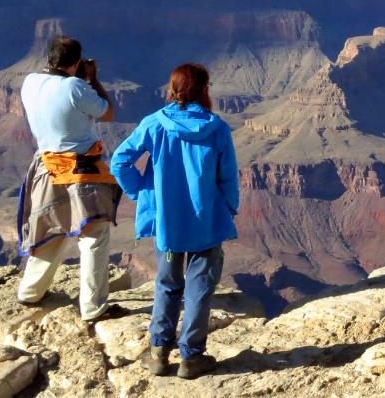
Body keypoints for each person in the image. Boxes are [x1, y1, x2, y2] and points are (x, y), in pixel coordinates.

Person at [110, 63, 239, 380]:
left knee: (167, 286)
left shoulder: (154, 124)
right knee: (199, 289)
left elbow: (120, 161)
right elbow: (228, 179)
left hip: (168, 223)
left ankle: (158, 355)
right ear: (204, 90)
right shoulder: (217, 128)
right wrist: (228, 209)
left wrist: (143, 193)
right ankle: (191, 358)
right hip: (206, 222)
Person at [16, 35, 121, 322]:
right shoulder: (75, 86)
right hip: (80, 169)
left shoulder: (29, 82)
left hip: (45, 166)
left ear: (48, 58)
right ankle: (92, 308)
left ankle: (30, 292)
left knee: (50, 226)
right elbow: (107, 111)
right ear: (76, 62)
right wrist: (93, 79)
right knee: (94, 235)